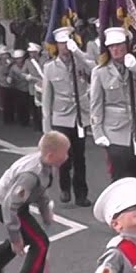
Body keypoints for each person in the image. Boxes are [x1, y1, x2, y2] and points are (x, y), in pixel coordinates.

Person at [0, 131, 68, 273]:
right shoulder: (30, 174)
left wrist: (45, 212)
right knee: (40, 243)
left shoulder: (45, 163)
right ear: (51, 155)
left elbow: (40, 190)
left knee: (29, 236)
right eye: (65, 152)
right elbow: (9, 206)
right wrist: (15, 237)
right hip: (7, 206)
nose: (67, 156)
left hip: (15, 205)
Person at [90, 27, 136, 181]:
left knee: (135, 173)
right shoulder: (100, 71)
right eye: (111, 46)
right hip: (114, 129)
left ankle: (135, 205)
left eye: (119, 45)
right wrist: (98, 132)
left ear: (126, 45)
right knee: (119, 175)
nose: (115, 49)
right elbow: (96, 104)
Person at [42, 27, 93, 207]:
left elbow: (94, 68)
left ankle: (81, 193)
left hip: (80, 116)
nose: (65, 47)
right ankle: (65, 187)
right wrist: (47, 128)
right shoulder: (49, 68)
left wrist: (77, 52)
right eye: (62, 43)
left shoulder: (79, 62)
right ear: (57, 45)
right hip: (61, 117)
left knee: (80, 157)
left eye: (67, 43)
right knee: (64, 157)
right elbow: (46, 99)